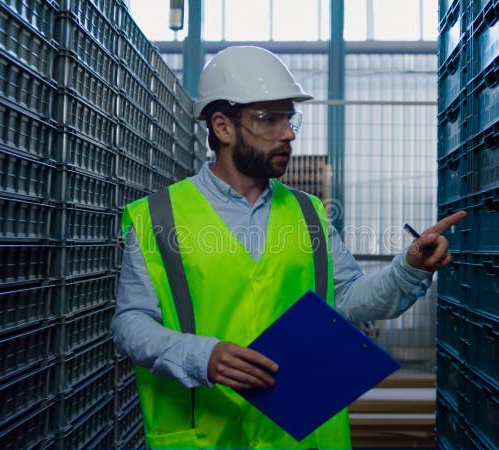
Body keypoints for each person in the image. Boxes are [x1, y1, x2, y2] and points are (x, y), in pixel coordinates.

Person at [112, 46, 466, 448]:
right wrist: (200, 356)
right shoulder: (157, 217)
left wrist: (410, 267)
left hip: (301, 437)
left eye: (290, 118)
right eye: (269, 119)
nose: (289, 134)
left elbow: (349, 299)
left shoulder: (309, 213)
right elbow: (131, 322)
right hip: (207, 437)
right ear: (223, 127)